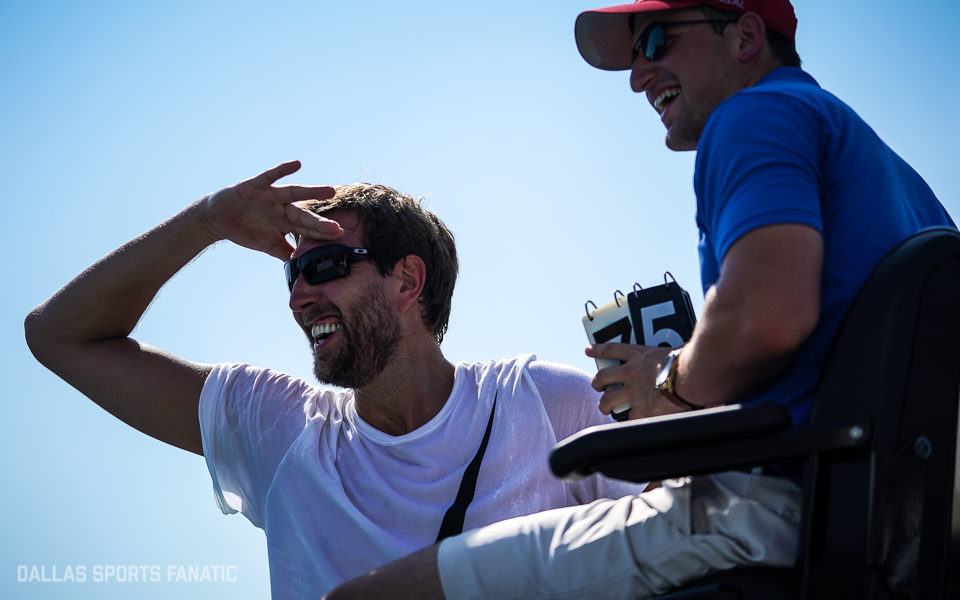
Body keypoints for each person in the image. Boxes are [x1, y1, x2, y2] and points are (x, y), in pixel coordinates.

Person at [322, 1, 957, 598]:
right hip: (892, 525)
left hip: (773, 509)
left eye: (657, 41)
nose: (638, 76)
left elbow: (764, 320)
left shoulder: (754, 115)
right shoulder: (896, 176)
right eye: (634, 56)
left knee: (366, 595)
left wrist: (668, 385)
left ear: (744, 36)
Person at [23, 161, 648, 598]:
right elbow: (58, 336)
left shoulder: (543, 403)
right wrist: (206, 222)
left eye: (324, 265)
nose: (299, 296)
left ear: (408, 281)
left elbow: (685, 536)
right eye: (291, 276)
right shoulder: (281, 429)